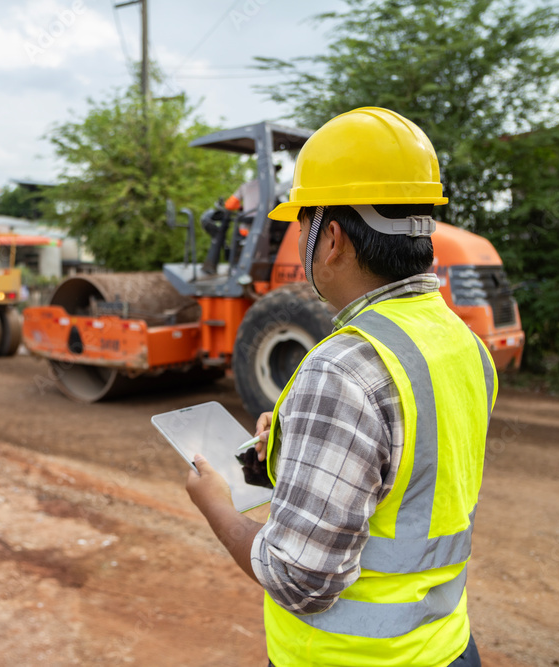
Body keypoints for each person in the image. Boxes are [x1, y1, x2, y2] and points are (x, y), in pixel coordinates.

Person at [185, 107, 496, 667]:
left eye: (300, 221)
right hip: (447, 645)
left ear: (330, 237)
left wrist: (216, 507)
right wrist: (291, 447)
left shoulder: (341, 369)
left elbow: (299, 579)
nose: (294, 235)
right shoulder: (462, 342)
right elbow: (409, 476)